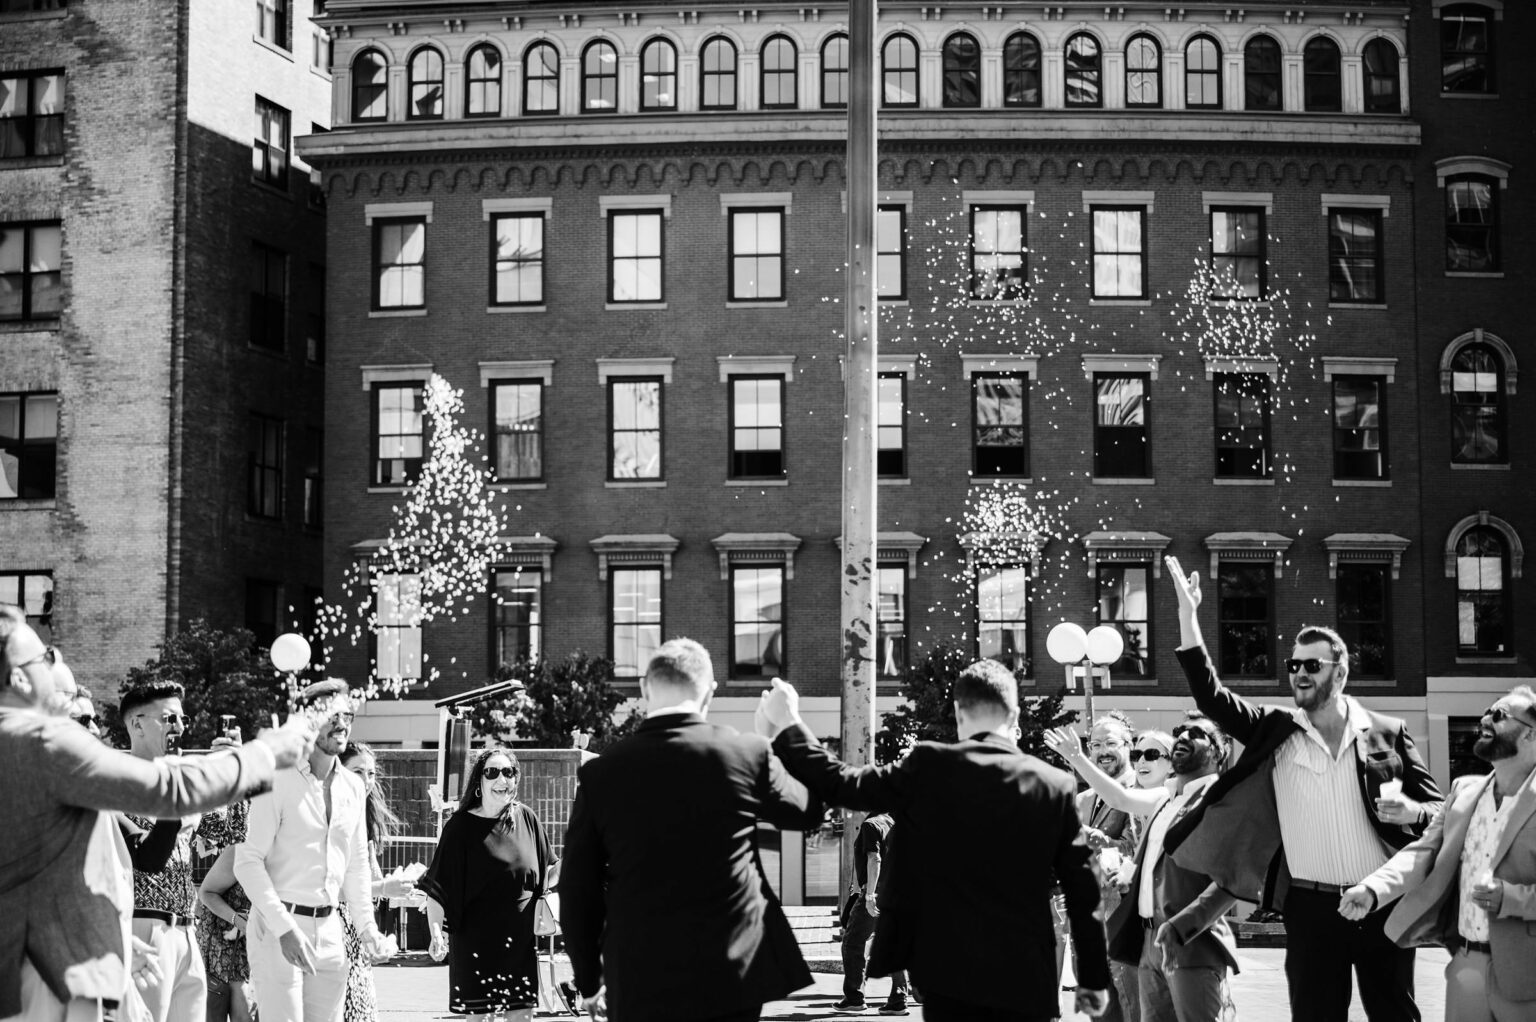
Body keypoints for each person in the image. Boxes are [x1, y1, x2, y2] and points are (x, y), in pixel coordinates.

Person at [1160, 555, 1444, 1022]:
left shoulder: (1387, 732)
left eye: (1313, 664)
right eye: (1294, 665)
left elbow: (1440, 812)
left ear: (1341, 671)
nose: (1299, 673)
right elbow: (1210, 696)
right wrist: (1187, 617)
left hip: (1381, 903)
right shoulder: (1278, 730)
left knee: (1394, 1013)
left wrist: (1412, 811)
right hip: (1310, 910)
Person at [0, 607, 312, 1022]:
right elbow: (170, 795)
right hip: (55, 973)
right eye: (47, 657)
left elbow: (46, 876)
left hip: (96, 952)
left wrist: (110, 939)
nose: (55, 664)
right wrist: (264, 755)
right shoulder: (39, 742)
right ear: (20, 678)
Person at [760, 661, 1111, 1022]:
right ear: (1015, 714)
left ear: (959, 711)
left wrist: (788, 723)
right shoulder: (1054, 784)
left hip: (948, 969)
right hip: (1025, 969)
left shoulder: (928, 766)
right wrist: (1094, 979)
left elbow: (844, 783)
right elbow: (1083, 891)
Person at [560, 638, 824, 1022]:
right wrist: (784, 728)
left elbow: (577, 889)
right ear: (711, 692)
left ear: (646, 688)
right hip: (732, 973)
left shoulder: (601, 773)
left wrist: (588, 981)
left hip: (638, 976)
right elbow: (808, 812)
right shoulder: (746, 753)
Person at [1339, 686, 1536, 1022]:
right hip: (1466, 963)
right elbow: (1422, 852)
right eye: (1488, 711)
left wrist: (1511, 898)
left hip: (1528, 973)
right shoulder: (1464, 791)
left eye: (1499, 715)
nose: (1486, 718)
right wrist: (1372, 889)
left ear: (1530, 735)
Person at [234, 680, 392, 1022]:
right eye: (331, 714)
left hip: (331, 930)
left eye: (347, 714)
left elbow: (357, 866)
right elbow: (247, 862)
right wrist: (284, 928)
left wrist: (368, 929)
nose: (342, 723)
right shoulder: (275, 778)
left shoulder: (352, 786)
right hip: (279, 929)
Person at [1106, 715, 1240, 1022]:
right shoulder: (1167, 800)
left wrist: (1183, 927)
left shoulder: (1222, 800)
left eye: (1197, 733)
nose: (1183, 736)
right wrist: (1133, 881)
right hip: (1148, 942)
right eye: (1179, 731)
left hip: (1191, 945)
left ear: (1221, 751)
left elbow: (1232, 878)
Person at [419, 748, 551, 1022]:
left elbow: (549, 873)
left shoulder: (527, 819)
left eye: (509, 772)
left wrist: (583, 855)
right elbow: (440, 886)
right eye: (492, 772)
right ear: (479, 781)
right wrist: (435, 933)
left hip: (520, 943)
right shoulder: (460, 827)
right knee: (482, 1017)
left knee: (522, 1014)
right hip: (476, 943)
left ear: (516, 779)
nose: (502, 779)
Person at [119, 681, 214, 1022]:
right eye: (169, 718)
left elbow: (232, 831)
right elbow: (148, 858)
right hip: (142, 929)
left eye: (182, 719)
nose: (179, 727)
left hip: (187, 931)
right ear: (137, 724)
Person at [1045, 714, 1143, 1022]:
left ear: (1130, 745)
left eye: (1110, 743)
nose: (1101, 751)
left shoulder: (1140, 790)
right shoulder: (1085, 797)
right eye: (1095, 743)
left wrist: (1101, 841)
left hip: (1123, 924)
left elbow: (1139, 849)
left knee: (1133, 1010)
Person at [337, 742, 410, 1022]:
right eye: (358, 772)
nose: (366, 781)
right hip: (334, 936)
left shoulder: (364, 819)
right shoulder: (330, 819)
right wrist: (383, 888)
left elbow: (368, 883)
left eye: (370, 773)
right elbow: (327, 889)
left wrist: (399, 884)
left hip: (359, 941)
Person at [835, 812, 911, 1015]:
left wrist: (869, 895)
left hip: (876, 894)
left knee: (853, 942)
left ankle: (854, 997)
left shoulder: (871, 824)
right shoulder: (896, 823)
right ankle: (898, 1000)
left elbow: (873, 858)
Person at [196, 803, 256, 1022]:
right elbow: (207, 893)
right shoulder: (241, 850)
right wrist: (237, 920)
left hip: (257, 944)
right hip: (223, 946)